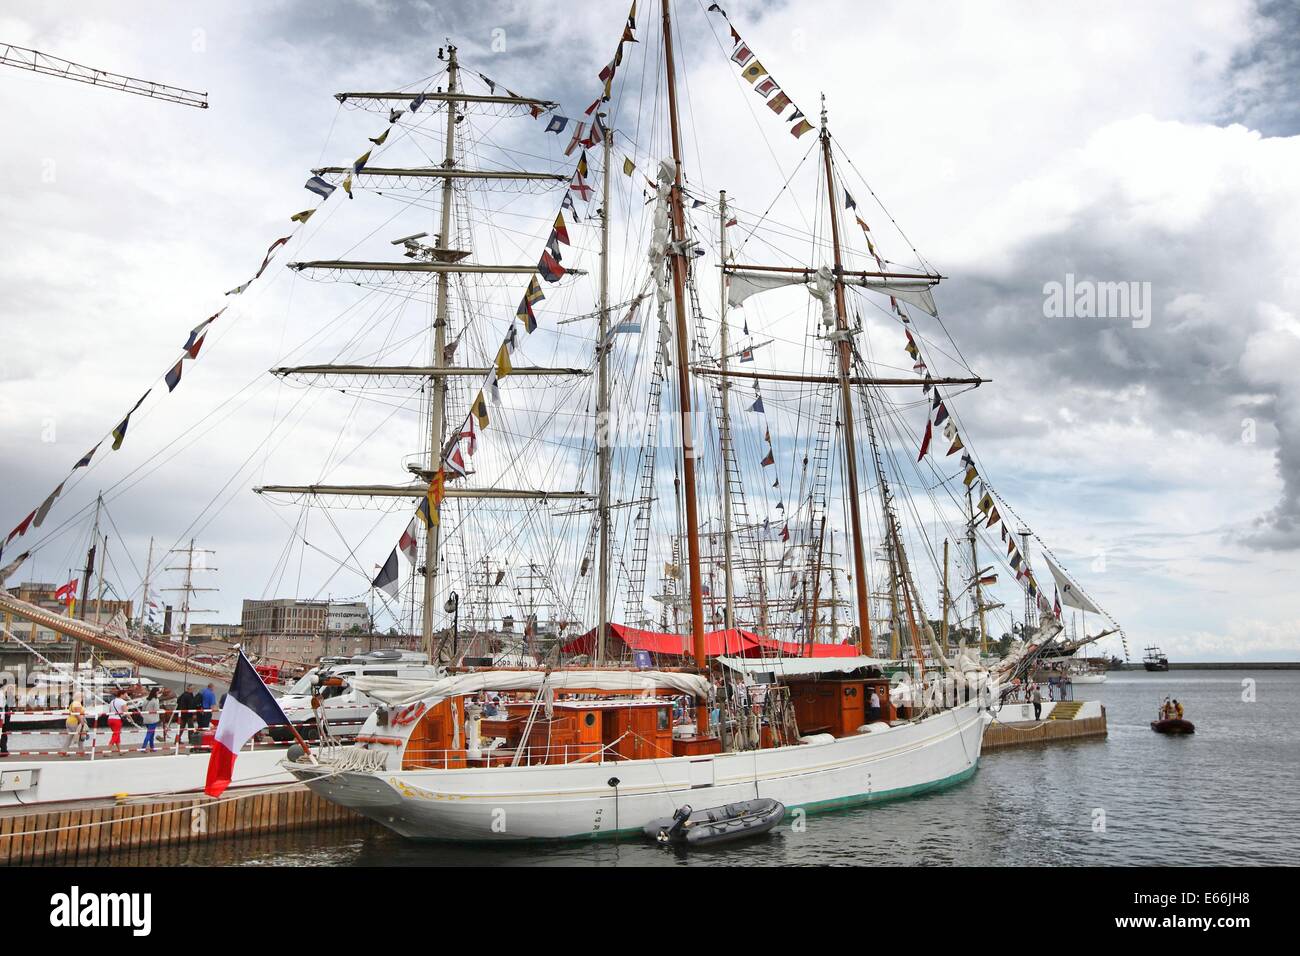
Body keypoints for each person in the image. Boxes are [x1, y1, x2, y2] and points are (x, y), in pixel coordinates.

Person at [139, 688, 161, 752]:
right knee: (149, 734)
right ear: (156, 692)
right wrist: (162, 710)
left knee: (151, 733)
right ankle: (143, 747)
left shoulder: (146, 699)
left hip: (146, 719)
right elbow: (156, 710)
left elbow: (143, 709)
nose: (158, 693)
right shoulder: (156, 700)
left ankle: (152, 747)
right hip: (153, 719)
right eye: (158, 692)